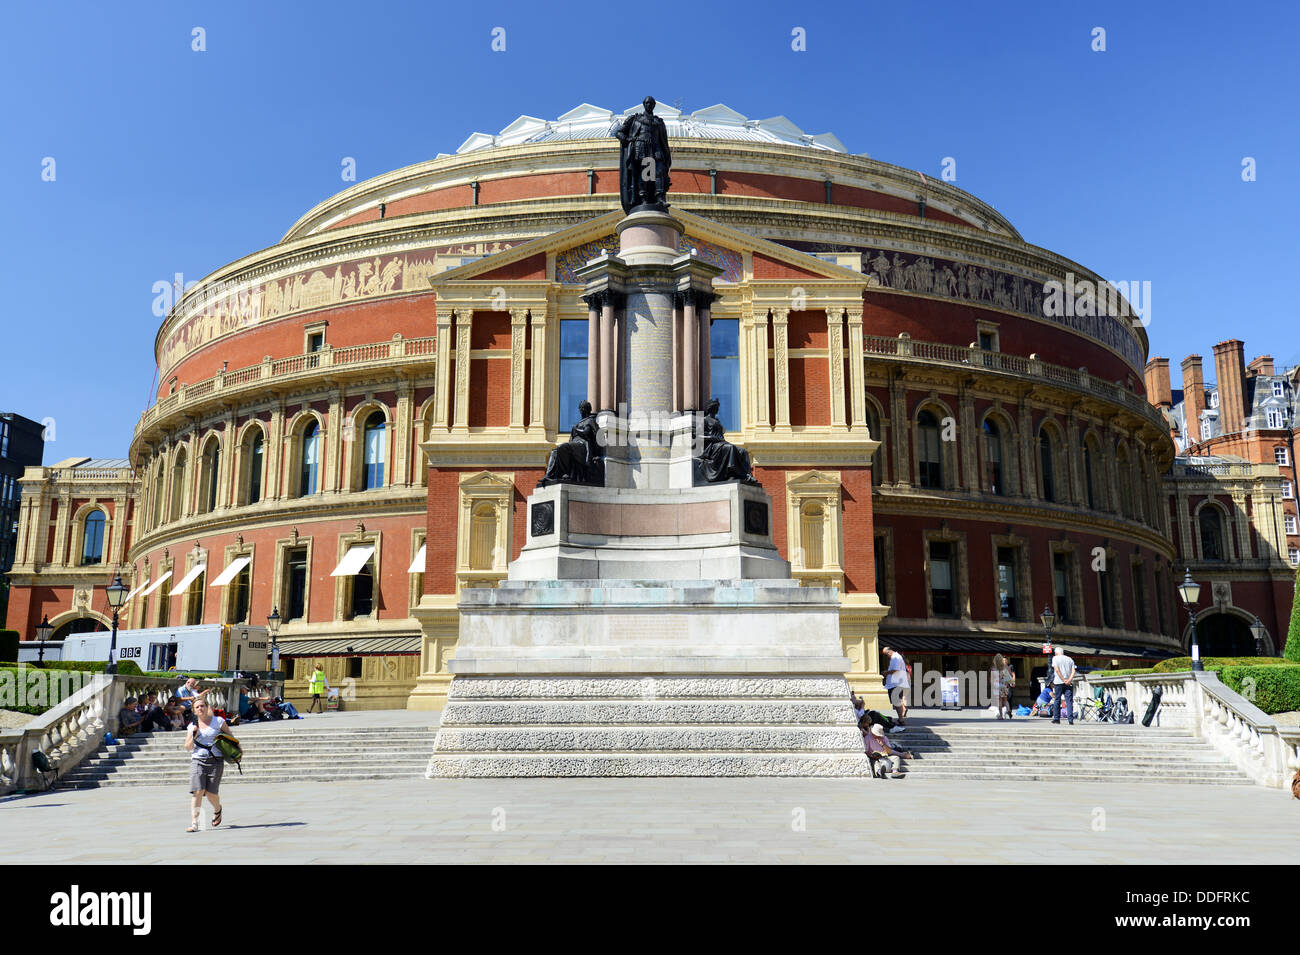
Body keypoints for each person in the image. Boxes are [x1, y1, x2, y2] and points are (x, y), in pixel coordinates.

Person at [184, 698, 230, 832]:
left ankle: (217, 809)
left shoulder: (218, 722)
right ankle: (194, 823)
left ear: (207, 707)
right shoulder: (192, 726)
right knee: (197, 791)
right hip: (198, 760)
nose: (200, 709)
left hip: (215, 760)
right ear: (194, 710)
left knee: (211, 793)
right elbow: (187, 747)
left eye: (202, 706)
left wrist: (238, 752)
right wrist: (194, 734)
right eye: (197, 707)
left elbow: (231, 738)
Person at [881, 646, 910, 727]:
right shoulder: (897, 657)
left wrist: (886, 672)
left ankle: (901, 719)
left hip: (895, 683)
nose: (886, 657)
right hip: (897, 683)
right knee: (897, 701)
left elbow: (895, 670)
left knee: (896, 701)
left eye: (886, 655)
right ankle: (901, 718)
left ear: (889, 652)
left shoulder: (895, 658)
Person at [1050, 645, 1077, 725]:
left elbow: (1057, 670)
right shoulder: (1069, 659)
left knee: (1057, 700)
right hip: (1068, 683)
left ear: (1056, 653)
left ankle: (1056, 719)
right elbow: (1073, 671)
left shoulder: (1055, 658)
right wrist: (1069, 680)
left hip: (1058, 682)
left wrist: (1063, 679)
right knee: (1069, 701)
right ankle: (1070, 720)